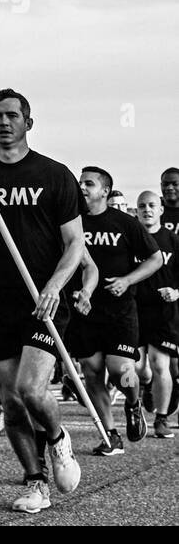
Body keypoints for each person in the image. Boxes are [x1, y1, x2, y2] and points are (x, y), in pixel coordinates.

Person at [0, 89, 87, 514]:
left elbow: (75, 243)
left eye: (12, 115)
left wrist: (56, 285)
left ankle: (59, 438)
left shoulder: (54, 174)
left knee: (30, 388)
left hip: (42, 298)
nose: (4, 122)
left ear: (28, 122)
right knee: (9, 400)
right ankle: (35, 481)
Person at [71, 167, 160, 453]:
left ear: (105, 191)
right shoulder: (71, 223)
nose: (82, 187)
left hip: (120, 309)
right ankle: (110, 434)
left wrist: (127, 280)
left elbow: (155, 259)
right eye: (80, 182)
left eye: (89, 183)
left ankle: (133, 403)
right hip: (84, 310)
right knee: (92, 370)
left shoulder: (124, 222)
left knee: (121, 368)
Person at [134, 191, 179, 436]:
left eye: (152, 205)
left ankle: (162, 419)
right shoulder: (131, 238)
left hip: (164, 312)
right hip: (135, 310)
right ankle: (148, 385)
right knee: (140, 367)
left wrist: (176, 292)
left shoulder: (172, 241)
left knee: (160, 363)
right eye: (142, 206)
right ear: (137, 210)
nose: (147, 210)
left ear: (161, 209)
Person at [161, 168, 179, 234]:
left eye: (175, 184)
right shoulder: (153, 210)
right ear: (161, 185)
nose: (169, 188)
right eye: (165, 184)